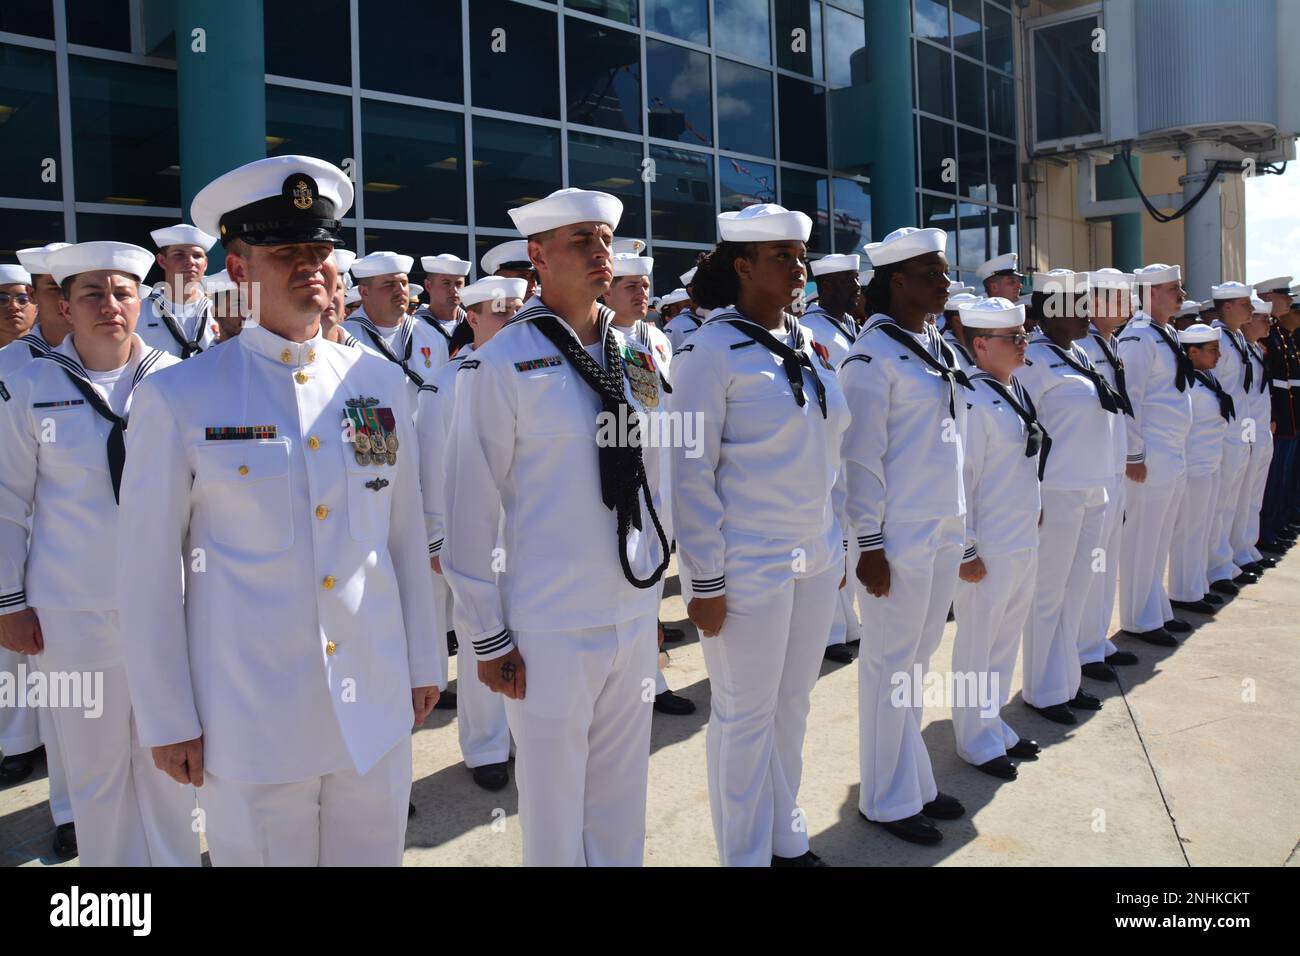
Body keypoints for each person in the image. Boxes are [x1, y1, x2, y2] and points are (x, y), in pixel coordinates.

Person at [118, 155, 443, 866]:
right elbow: (145, 573)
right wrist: (169, 718)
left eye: (321, 250)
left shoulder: (377, 384)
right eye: (287, 252)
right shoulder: (180, 398)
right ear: (238, 270)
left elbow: (401, 534)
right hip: (251, 721)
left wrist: (425, 662)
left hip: (373, 711)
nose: (312, 267)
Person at [442, 187, 670, 866]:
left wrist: (651, 599)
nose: (602, 253)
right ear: (537, 256)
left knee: (623, 797)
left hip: (627, 606)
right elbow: (469, 507)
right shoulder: (500, 360)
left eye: (605, 240)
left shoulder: (636, 355)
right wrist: (486, 633)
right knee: (552, 808)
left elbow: (657, 472)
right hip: (548, 620)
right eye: (582, 242)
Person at [0, 241, 199, 866]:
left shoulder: (180, 381)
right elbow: (6, 502)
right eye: (92, 294)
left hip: (173, 607)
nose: (109, 305)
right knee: (94, 770)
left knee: (174, 758)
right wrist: (9, 603)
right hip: (72, 613)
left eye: (122, 293)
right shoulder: (26, 386)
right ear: (63, 304)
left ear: (141, 301)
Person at [671, 203, 847, 866]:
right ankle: (744, 855)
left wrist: (834, 546)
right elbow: (688, 476)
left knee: (792, 706)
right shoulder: (707, 352)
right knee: (744, 716)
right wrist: (705, 582)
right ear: (742, 266)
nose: (798, 268)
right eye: (783, 257)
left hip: (812, 553)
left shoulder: (809, 343)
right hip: (747, 563)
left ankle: (783, 836)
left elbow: (829, 452)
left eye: (801, 256)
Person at [840, 226, 969, 846]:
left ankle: (910, 779)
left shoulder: (930, 342)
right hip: (898, 535)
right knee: (890, 667)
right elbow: (860, 458)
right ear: (899, 282)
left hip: (940, 523)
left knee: (915, 665)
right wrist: (867, 544)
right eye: (935, 274)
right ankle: (884, 800)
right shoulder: (871, 355)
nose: (947, 283)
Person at [419, 276, 526, 791]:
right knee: (480, 634)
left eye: (518, 309)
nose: (511, 319)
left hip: (530, 534)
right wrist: (439, 540)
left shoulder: (540, 368)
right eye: (499, 312)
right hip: (474, 534)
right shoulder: (445, 382)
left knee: (529, 638)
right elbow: (432, 467)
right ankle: (486, 746)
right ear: (473, 318)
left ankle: (525, 737)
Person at [0, 244, 77, 856]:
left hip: (76, 556)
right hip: (28, 550)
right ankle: (71, 809)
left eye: (41, 291)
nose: (35, 302)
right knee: (58, 698)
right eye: (39, 289)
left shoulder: (136, 364)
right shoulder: (15, 370)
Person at [1015, 270, 1118, 721]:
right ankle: (1043, 690)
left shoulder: (1078, 352)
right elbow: (1022, 431)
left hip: (1091, 486)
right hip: (1055, 490)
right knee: (1048, 595)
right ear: (1046, 313)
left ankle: (1066, 679)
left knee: (1076, 591)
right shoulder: (1034, 360)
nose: (1084, 312)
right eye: (1073, 305)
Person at [950, 296, 1044, 780]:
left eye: (1024, 334)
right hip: (986, 546)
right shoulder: (970, 397)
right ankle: (973, 739)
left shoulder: (1015, 388)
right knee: (977, 644)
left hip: (1020, 538)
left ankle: (992, 723)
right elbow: (961, 478)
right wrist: (965, 549)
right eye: (1015, 338)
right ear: (982, 344)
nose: (1024, 343)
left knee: (1004, 642)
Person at [604, 251, 696, 716]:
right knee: (623, 586)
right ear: (606, 290)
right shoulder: (598, 339)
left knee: (652, 587)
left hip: (660, 479)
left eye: (644, 285)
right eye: (630, 286)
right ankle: (628, 685)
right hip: (624, 481)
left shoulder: (657, 338)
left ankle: (651, 680)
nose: (642, 294)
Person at [1117, 264, 1195, 647]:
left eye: (1180, 287)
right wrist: (1134, 454)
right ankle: (1139, 619)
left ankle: (1156, 609)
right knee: (1143, 538)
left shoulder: (1166, 334)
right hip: (1152, 450)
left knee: (1161, 536)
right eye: (1172, 288)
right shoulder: (1138, 337)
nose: (1181, 294)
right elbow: (1129, 398)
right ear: (1149, 293)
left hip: (1173, 449)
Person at [1077, 269, 1142, 681]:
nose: (1129, 305)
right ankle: (1082, 651)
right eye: (1121, 298)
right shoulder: (1081, 344)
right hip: (1091, 471)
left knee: (1106, 560)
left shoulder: (1110, 342)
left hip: (1113, 465)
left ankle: (1096, 640)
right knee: (1089, 565)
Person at [802, 252, 866, 663]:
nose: (857, 288)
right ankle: (829, 632)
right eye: (849, 281)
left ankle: (846, 622)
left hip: (851, 446)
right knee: (831, 536)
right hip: (830, 448)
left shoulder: (848, 326)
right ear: (826, 287)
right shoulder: (811, 329)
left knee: (849, 536)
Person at [1167, 324, 1229, 614]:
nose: (1218, 355)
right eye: (1213, 350)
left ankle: (1197, 585)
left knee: (1202, 528)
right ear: (1193, 352)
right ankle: (1184, 592)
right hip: (1193, 465)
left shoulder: (1206, 378)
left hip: (1210, 462)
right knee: (1189, 531)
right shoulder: (1186, 382)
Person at [343, 251, 450, 413]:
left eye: (404, 283)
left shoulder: (432, 336)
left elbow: (445, 396)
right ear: (364, 292)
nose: (400, 290)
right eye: (389, 285)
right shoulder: (345, 338)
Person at [1205, 282, 1260, 595]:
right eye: (1245, 304)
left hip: (1240, 431)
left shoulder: (1236, 338)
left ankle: (1227, 560)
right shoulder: (1217, 340)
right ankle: (1216, 569)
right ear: (1226, 306)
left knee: (1232, 501)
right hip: (1222, 434)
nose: (1251, 310)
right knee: (1218, 505)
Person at [1231, 298, 1276, 574]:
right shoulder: (1238, 349)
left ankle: (1247, 546)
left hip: (1259, 430)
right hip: (1245, 432)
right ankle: (1236, 552)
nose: (1268, 323)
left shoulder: (1255, 350)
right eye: (1263, 318)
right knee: (1239, 497)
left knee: (1252, 497)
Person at [1256, 276, 1299, 550]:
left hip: (1288, 417)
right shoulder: (1267, 334)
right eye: (1285, 296)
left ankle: (1275, 525)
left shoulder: (1280, 335)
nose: (1290, 301)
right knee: (1271, 481)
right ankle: (1265, 532)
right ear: (1269, 297)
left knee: (1282, 477)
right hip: (1275, 418)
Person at [138, 224, 219, 359]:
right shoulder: (139, 311)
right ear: (162, 261)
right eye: (179, 255)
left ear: (205, 264)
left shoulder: (219, 312)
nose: (190, 262)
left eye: (197, 256)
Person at [416, 253, 471, 345]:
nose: (454, 290)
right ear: (428, 285)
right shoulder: (413, 327)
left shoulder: (473, 325)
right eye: (446, 283)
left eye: (458, 284)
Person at [0, 264, 37, 349]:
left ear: (37, 309)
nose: (13, 306)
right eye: (2, 300)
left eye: (23, 300)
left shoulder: (53, 357)